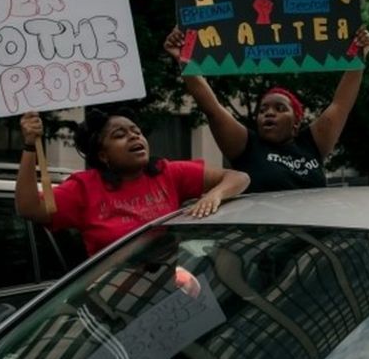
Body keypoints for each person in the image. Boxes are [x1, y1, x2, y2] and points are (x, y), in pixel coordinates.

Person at [163, 26, 369, 193]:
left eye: (279, 108)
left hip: (311, 242)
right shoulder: (246, 146)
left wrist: (359, 56)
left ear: (296, 122)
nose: (269, 113)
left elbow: (340, 104)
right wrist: (184, 60)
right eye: (263, 109)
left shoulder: (312, 144)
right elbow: (212, 108)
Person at [15, 109, 250, 257]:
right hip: (113, 304)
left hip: (171, 298)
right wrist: (29, 146)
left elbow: (239, 177)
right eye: (120, 135)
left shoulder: (166, 173)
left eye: (136, 131)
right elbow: (28, 208)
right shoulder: (84, 188)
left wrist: (215, 195)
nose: (134, 136)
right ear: (103, 155)